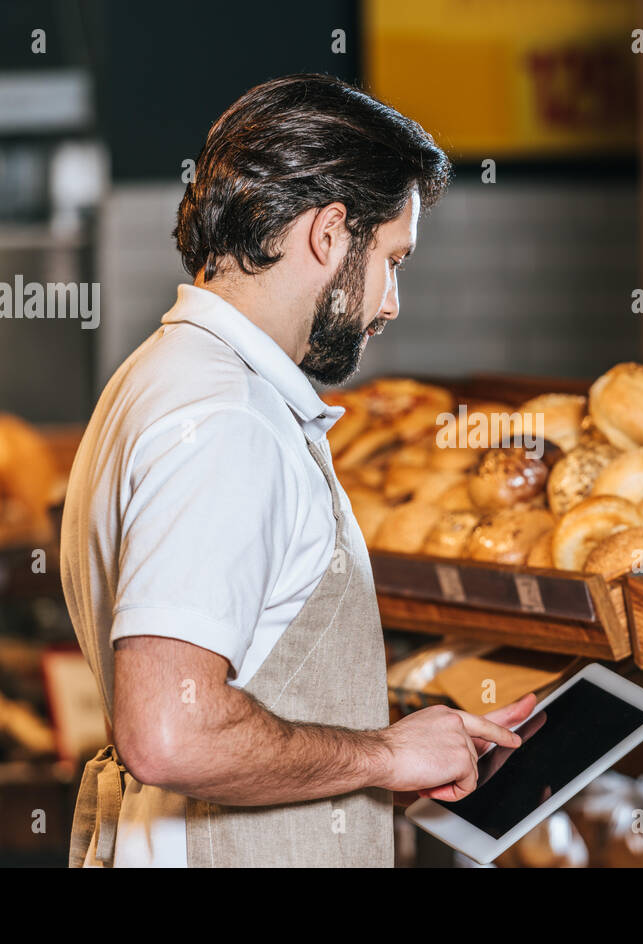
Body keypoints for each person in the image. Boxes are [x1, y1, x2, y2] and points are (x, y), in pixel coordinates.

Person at [61, 73, 533, 867]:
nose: (390, 304)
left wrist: (390, 753)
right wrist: (385, 754)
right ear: (328, 233)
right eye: (393, 259)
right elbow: (168, 733)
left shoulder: (160, 376)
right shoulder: (227, 420)